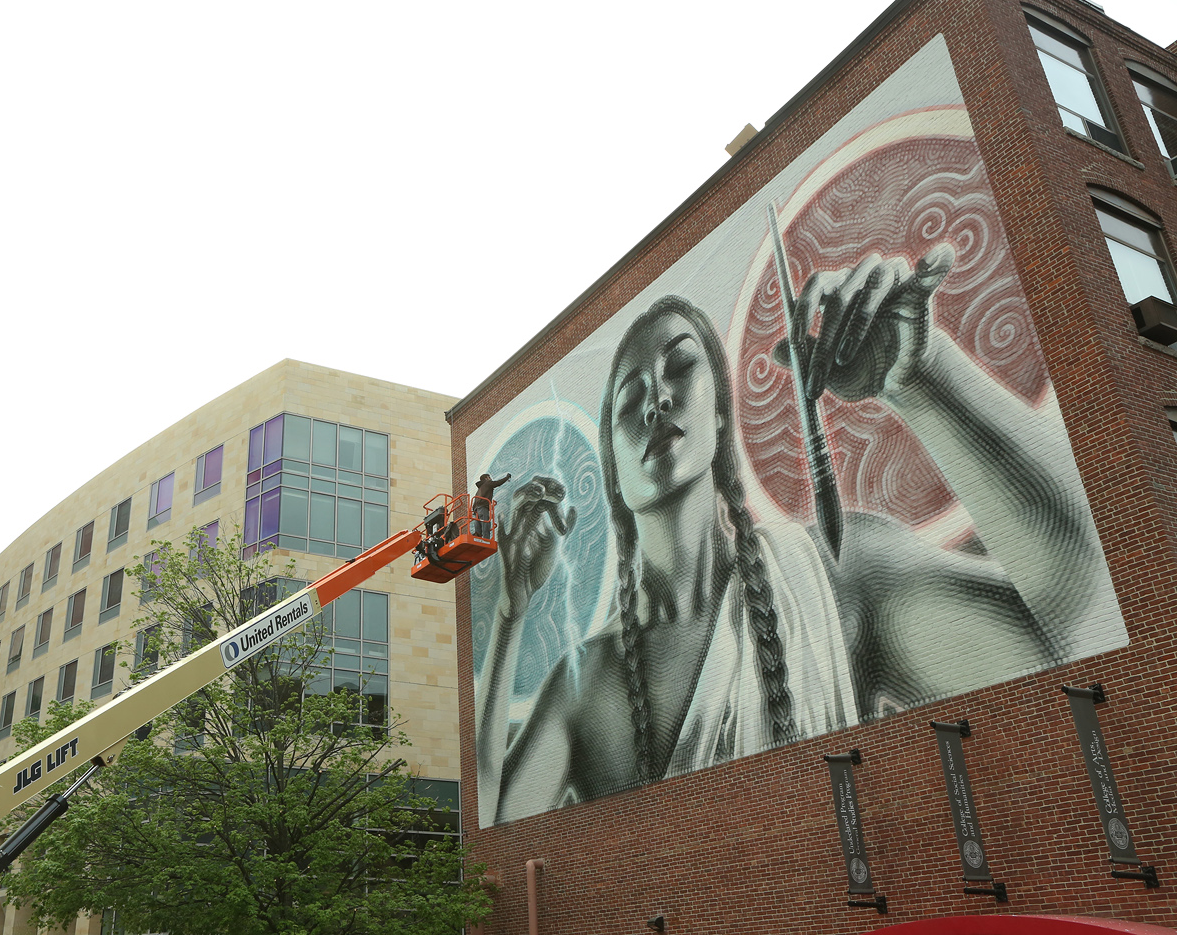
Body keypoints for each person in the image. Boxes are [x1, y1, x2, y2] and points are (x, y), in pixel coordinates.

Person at [474, 243, 1118, 827]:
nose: (657, 400)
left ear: (722, 416)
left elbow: (1085, 631)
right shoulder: (584, 681)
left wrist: (923, 377)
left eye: (680, 370)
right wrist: (511, 611)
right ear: (611, 469)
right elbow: (492, 844)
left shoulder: (840, 572)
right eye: (630, 395)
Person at [472, 472, 512, 537]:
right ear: (486, 478)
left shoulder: (480, 488)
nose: (490, 479)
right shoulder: (487, 483)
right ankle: (486, 539)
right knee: (486, 523)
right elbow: (497, 483)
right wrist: (507, 477)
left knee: (478, 524)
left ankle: (477, 537)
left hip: (476, 509)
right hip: (483, 506)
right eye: (489, 477)